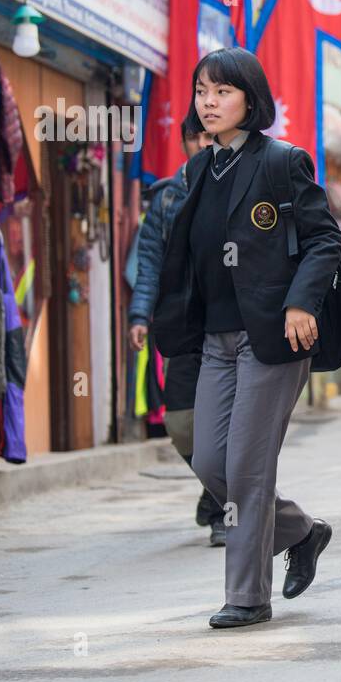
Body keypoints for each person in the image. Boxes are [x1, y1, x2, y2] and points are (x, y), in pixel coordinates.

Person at [154, 47, 341, 629]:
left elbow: (324, 240)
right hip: (215, 340)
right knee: (211, 459)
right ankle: (301, 531)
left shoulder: (282, 161)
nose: (208, 103)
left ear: (250, 99)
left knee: (247, 468)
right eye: (201, 92)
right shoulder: (196, 171)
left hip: (272, 337)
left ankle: (246, 596)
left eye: (222, 92)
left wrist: (298, 301)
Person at [128, 126, 224, 545]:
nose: (205, 145)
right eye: (198, 137)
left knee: (229, 425)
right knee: (183, 424)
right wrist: (139, 315)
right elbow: (148, 261)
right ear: (186, 142)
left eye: (213, 137)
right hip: (186, 327)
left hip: (234, 325)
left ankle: (224, 508)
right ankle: (213, 487)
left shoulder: (245, 184)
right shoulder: (167, 196)